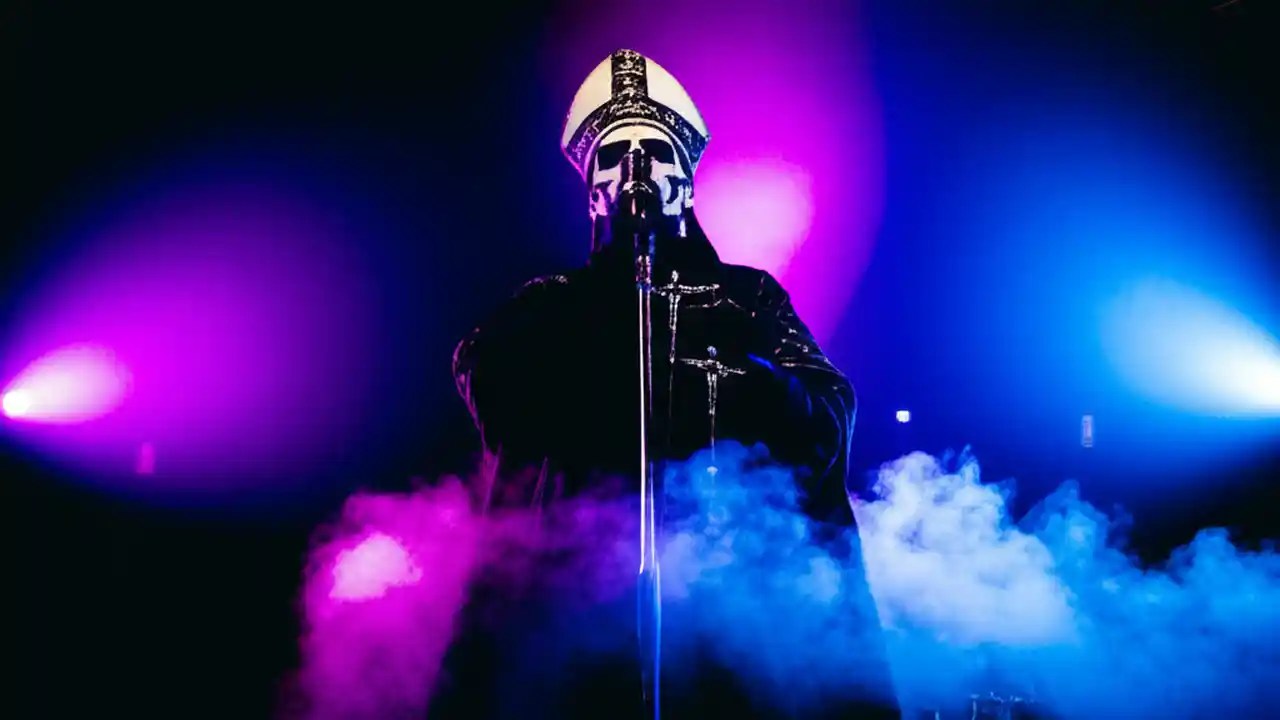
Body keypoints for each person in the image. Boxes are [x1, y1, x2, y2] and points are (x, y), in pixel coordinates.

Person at [439, 49, 897, 719]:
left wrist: (755, 389)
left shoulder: (748, 298)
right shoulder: (552, 304)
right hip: (579, 613)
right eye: (615, 153)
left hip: (733, 608)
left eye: (653, 150)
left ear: (686, 178)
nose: (635, 169)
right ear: (591, 188)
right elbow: (487, 380)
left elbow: (829, 412)